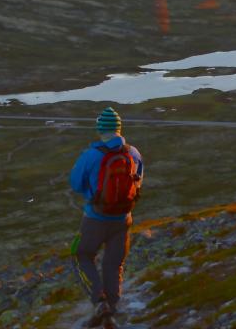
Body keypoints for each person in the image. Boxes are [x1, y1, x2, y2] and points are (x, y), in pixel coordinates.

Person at [69, 106, 144, 328]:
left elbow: (75, 183)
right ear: (119, 129)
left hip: (95, 218)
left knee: (81, 255)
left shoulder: (91, 155)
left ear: (100, 129)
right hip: (123, 219)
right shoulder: (134, 153)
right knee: (113, 264)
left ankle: (99, 302)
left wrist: (93, 196)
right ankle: (112, 309)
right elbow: (137, 183)